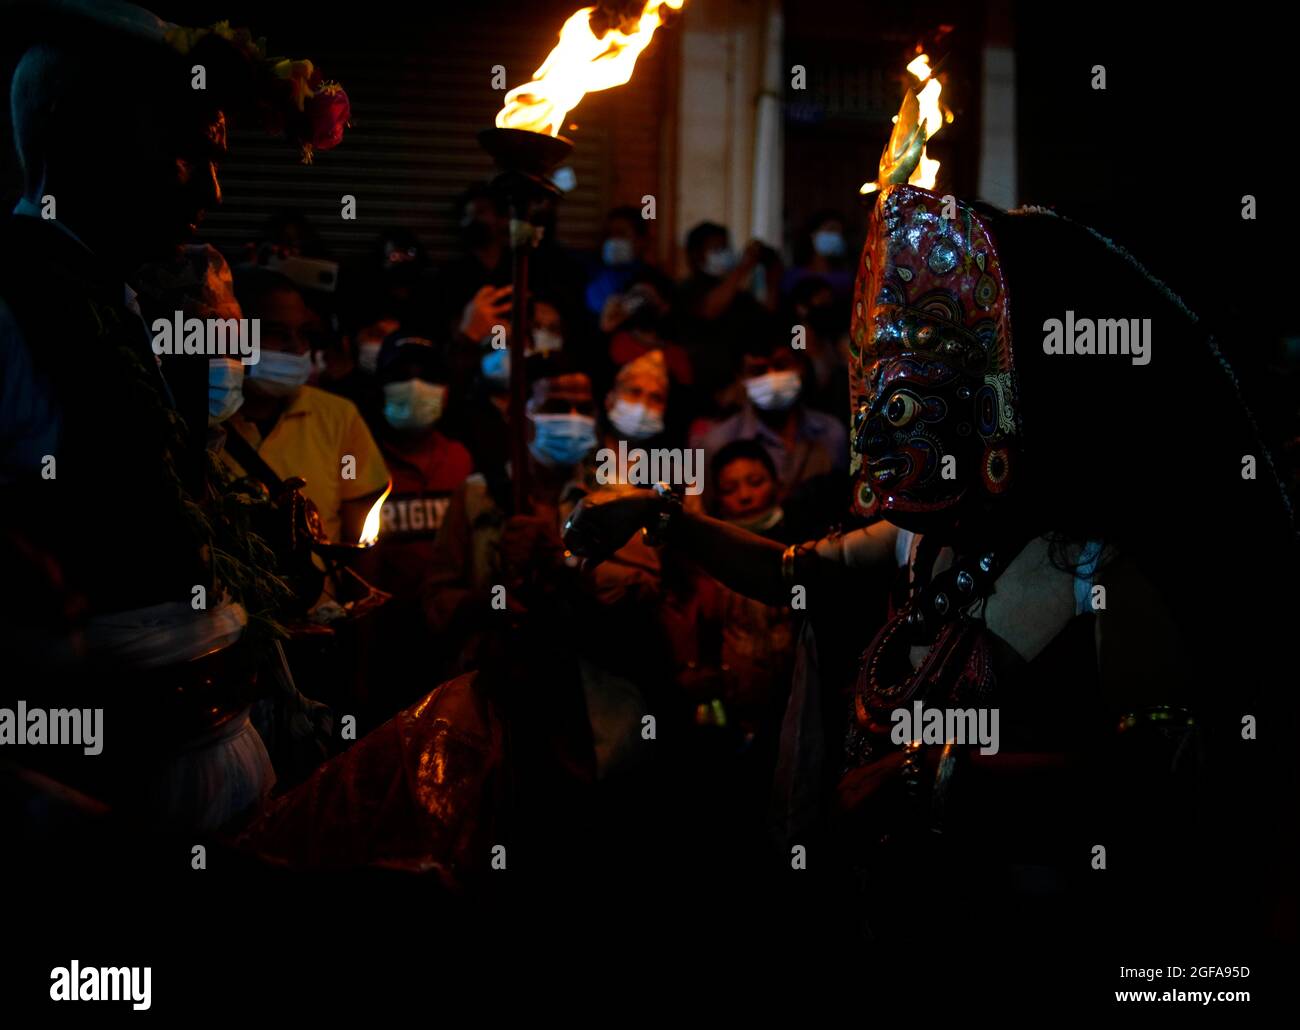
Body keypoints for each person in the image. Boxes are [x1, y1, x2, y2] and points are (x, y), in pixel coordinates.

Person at [564, 179, 1298, 953]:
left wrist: (934, 776)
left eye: (906, 414)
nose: (875, 444)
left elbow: (1155, 769)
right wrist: (660, 514)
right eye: (873, 412)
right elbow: (792, 574)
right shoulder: (923, 536)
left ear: (992, 421)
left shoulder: (1096, 565)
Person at [0, 0, 347, 831]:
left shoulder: (123, 301)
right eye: (187, 154)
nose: (215, 187)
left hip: (205, 764)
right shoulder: (14, 305)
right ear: (68, 131)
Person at [226, 269, 390, 549]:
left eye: (304, 333)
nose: (297, 347)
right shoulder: (196, 418)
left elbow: (361, 536)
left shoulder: (338, 416)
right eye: (277, 333)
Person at [693, 313, 848, 495]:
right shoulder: (717, 443)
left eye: (781, 366)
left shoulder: (831, 432)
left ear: (800, 366)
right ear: (740, 377)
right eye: (758, 371)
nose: (771, 377)